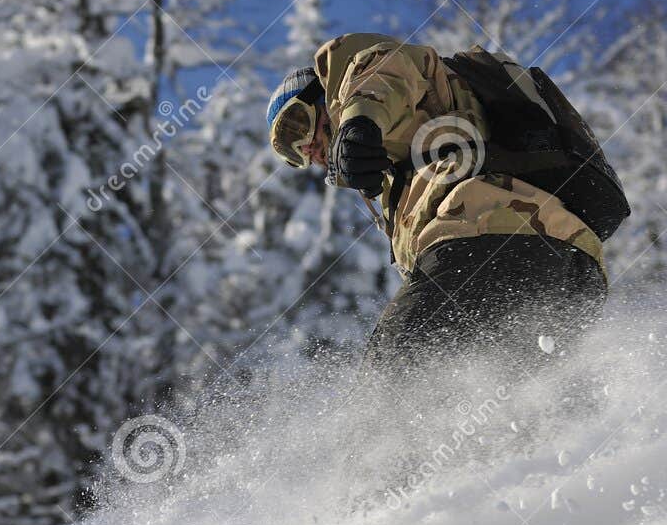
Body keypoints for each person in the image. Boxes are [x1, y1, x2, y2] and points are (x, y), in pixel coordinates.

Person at [267, 33, 625, 385]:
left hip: (490, 238)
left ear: (325, 93)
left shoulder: (366, 70)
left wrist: (359, 122)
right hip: (573, 269)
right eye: (291, 153)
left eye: (297, 125)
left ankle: (376, 444)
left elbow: (384, 77)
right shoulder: (399, 170)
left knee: (388, 372)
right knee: (518, 412)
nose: (307, 148)